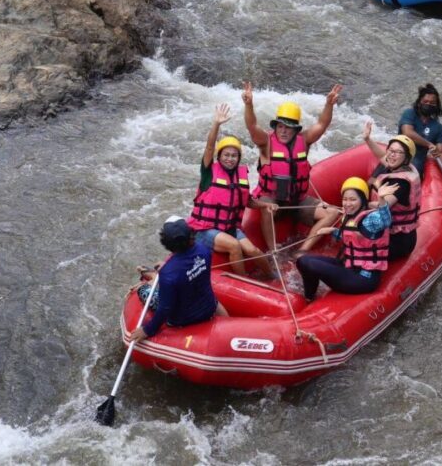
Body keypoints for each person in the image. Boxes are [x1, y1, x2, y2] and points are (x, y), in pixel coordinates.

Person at [242, 81, 343, 255]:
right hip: (271, 200)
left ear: (295, 130)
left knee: (333, 213)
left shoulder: (304, 141)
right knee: (266, 207)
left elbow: (321, 124)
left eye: (288, 128)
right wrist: (249, 105)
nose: (283, 131)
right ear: (276, 127)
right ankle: (273, 250)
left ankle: (303, 250)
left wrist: (329, 105)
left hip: (297, 201)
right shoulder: (266, 142)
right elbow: (251, 127)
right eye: (280, 126)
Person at [186, 103, 276, 278]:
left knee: (254, 250)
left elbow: (247, 201)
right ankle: (244, 283)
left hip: (229, 227)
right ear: (219, 157)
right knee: (234, 246)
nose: (230, 159)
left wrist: (265, 206)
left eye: (234, 156)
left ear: (239, 158)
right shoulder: (208, 172)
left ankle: (273, 279)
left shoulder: (240, 176)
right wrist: (217, 124)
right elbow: (209, 148)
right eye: (226, 155)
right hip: (204, 229)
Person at [296, 177, 398, 301]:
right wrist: (333, 231)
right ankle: (310, 297)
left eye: (353, 199)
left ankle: (308, 298)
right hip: (349, 266)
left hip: (364, 278)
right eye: (345, 199)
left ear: (363, 200)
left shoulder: (371, 219)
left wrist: (381, 200)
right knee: (303, 260)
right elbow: (354, 238)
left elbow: (385, 221)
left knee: (307, 263)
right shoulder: (350, 216)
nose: (347, 203)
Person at [131, 216, 228, 342]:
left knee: (143, 290)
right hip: (208, 306)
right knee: (186, 283)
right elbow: (188, 266)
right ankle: (154, 275)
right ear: (191, 235)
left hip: (183, 318)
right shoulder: (204, 250)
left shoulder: (169, 273)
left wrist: (147, 330)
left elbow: (165, 308)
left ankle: (154, 277)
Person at [363, 122, 422, 259]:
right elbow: (382, 156)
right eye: (390, 150)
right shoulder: (406, 168)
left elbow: (382, 206)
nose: (391, 155)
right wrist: (367, 139)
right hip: (395, 233)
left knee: (356, 248)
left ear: (406, 158)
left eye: (398, 152)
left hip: (398, 241)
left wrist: (360, 205)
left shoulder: (401, 183)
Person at [397, 83, 442, 177]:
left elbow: (440, 153)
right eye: (425, 101)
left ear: (437, 105)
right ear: (420, 101)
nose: (428, 104)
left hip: (416, 171)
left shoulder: (439, 128)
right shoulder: (409, 114)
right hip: (397, 162)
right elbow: (407, 132)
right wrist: (428, 144)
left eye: (432, 103)